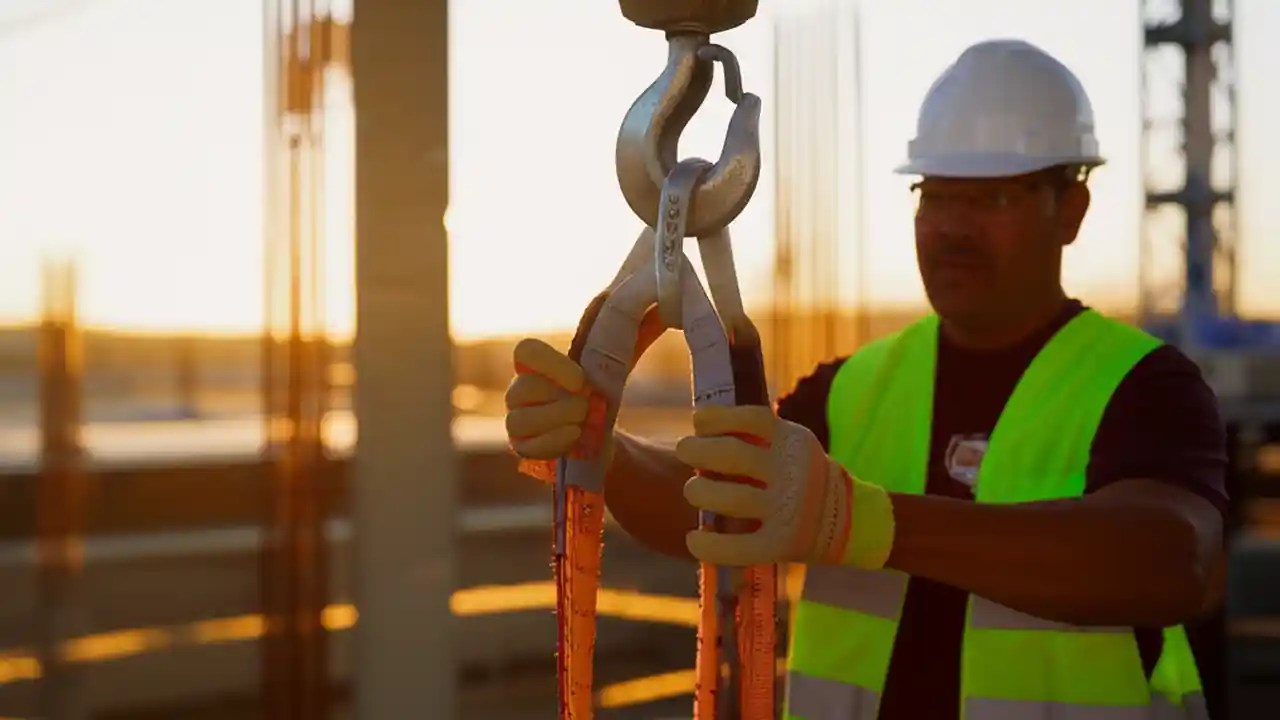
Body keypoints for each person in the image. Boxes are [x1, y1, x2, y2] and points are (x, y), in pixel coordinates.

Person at [504, 39, 1229, 719]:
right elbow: (715, 514)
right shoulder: (853, 387)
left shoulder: (1143, 385)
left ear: (1069, 211)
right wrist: (605, 448)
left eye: (990, 199)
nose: (951, 227)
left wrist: (866, 522)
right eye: (935, 195)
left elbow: (1177, 560)